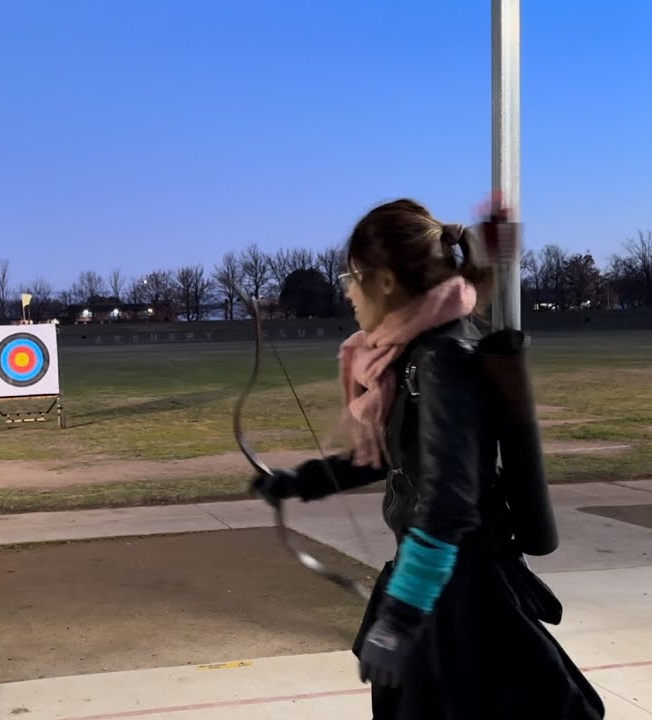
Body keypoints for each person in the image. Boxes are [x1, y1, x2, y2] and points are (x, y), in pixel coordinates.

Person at [252, 198, 605, 719]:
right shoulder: (412, 354)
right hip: (439, 584)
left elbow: (449, 505)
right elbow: (391, 458)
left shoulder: (441, 359)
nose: (348, 291)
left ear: (387, 281)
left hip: (459, 593)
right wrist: (298, 481)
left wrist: (401, 617)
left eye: (353, 276)